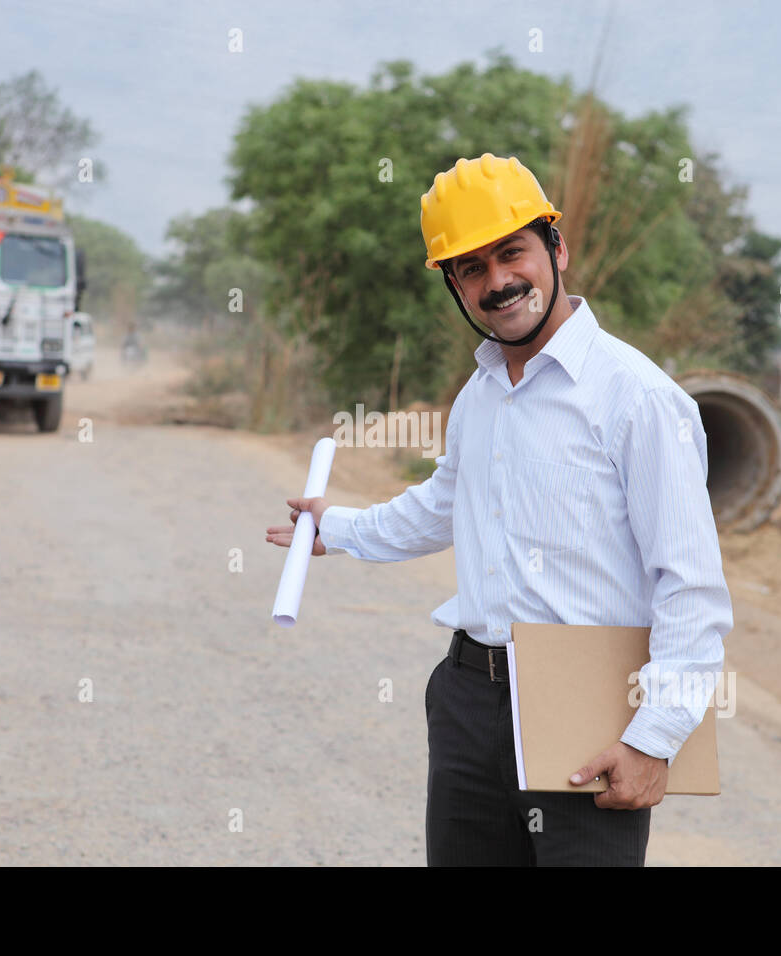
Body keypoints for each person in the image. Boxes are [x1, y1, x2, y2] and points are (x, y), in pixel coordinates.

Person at [265, 153, 733, 866]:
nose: (498, 282)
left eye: (511, 253)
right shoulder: (480, 394)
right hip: (468, 701)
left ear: (557, 248)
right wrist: (338, 528)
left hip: (589, 701)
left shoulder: (636, 398)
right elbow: (445, 504)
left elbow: (690, 585)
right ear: (453, 285)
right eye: (471, 269)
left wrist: (653, 738)